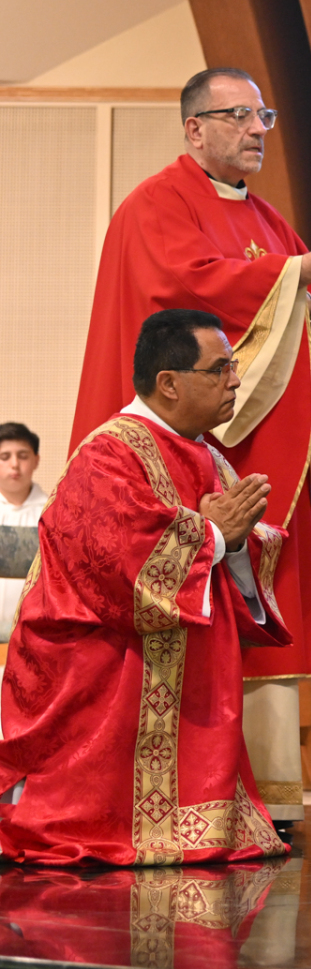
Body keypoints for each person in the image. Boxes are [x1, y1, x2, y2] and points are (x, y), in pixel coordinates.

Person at [70, 67, 311, 829]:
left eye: (263, 116)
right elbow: (183, 291)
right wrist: (301, 274)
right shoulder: (156, 204)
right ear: (194, 129)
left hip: (261, 454)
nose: (256, 130)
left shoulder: (273, 223)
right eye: (237, 115)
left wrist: (307, 287)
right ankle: (177, 792)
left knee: (259, 603)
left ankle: (262, 796)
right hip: (182, 449)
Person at [0, 310, 291, 865]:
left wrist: (229, 539)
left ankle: (197, 822)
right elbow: (116, 565)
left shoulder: (207, 454)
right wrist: (209, 534)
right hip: (96, 655)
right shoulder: (108, 454)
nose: (235, 380)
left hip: (180, 663)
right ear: (169, 383)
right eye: (221, 369)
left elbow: (231, 542)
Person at [0, 423, 48, 641]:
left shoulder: (52, 513)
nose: (14, 465)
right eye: (4, 457)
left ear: (36, 460)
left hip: (34, 636)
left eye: (22, 456)